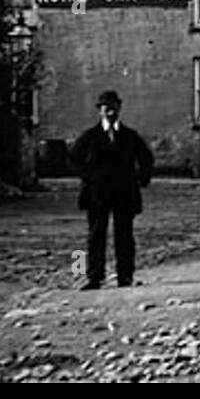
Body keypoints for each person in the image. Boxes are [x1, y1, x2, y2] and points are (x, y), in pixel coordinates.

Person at [70, 90, 153, 290]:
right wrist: (87, 177)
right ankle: (94, 277)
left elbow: (146, 158)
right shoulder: (90, 136)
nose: (110, 113)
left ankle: (125, 276)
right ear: (100, 111)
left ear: (119, 109)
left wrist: (142, 180)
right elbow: (73, 158)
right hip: (97, 194)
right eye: (106, 109)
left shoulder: (129, 136)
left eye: (113, 109)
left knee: (124, 236)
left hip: (124, 193)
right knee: (96, 235)